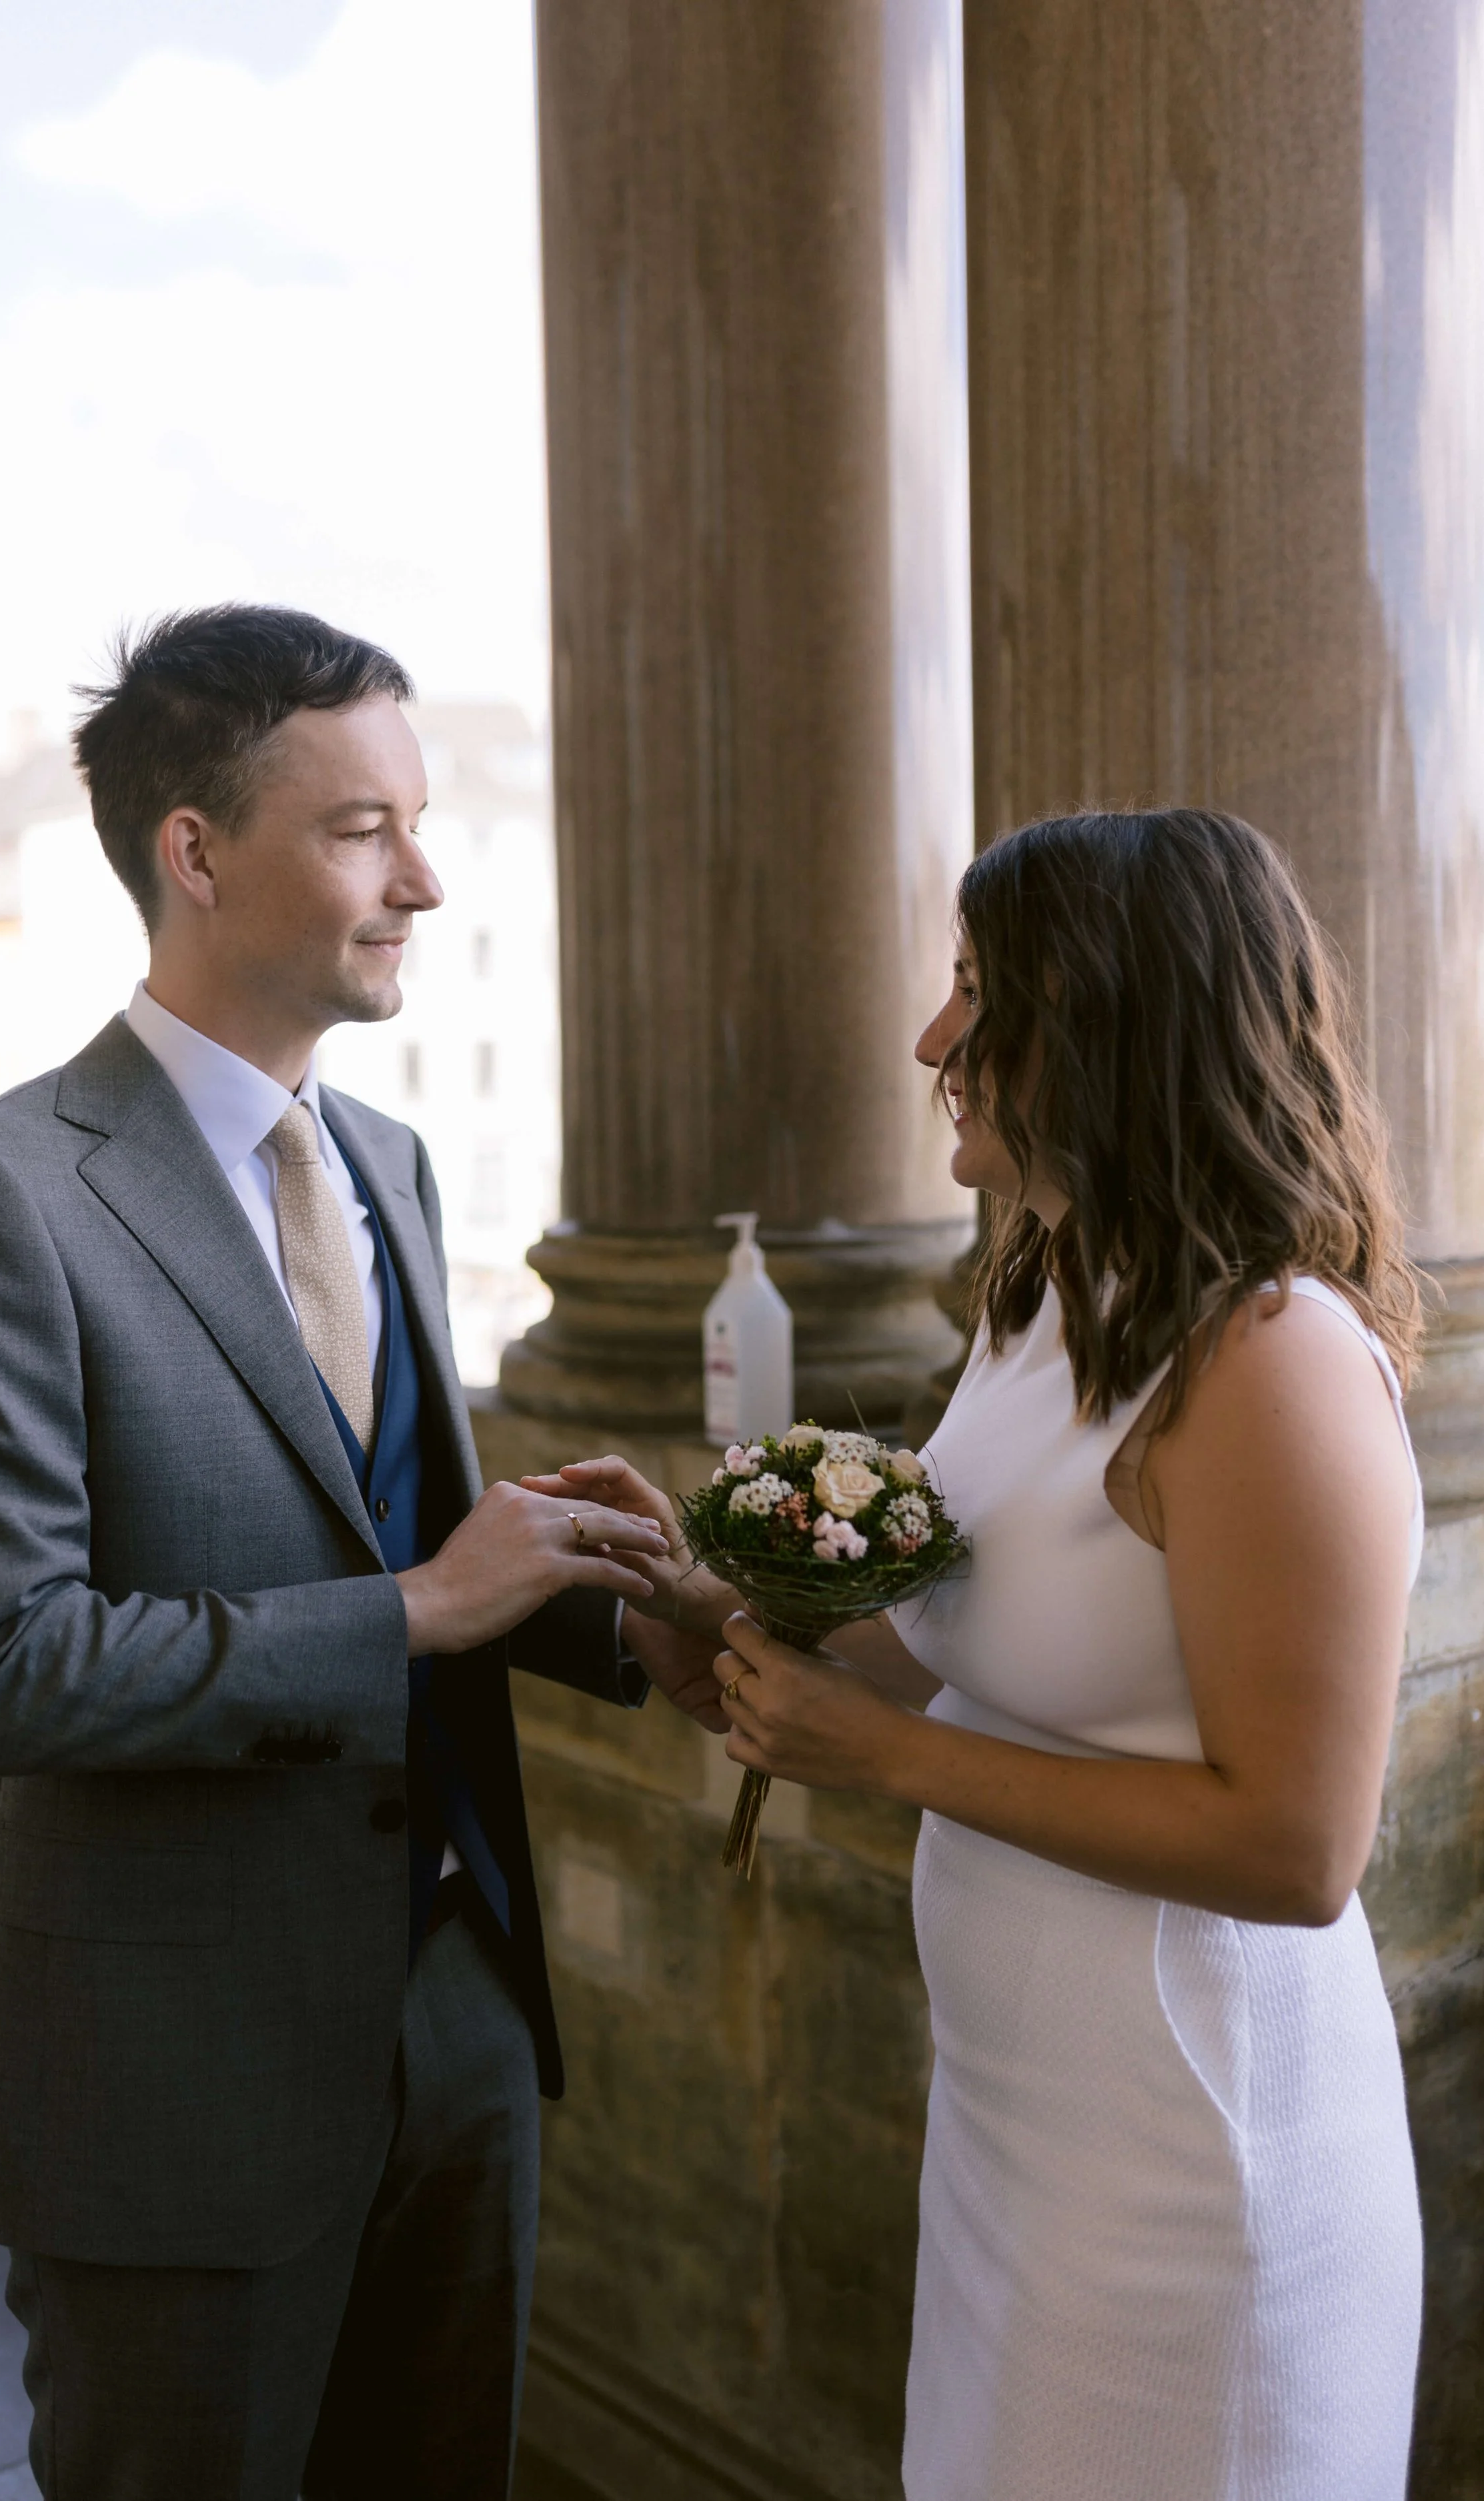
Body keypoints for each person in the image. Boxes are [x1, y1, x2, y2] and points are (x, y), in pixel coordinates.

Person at [0, 604, 725, 2501]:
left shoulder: (392, 1164)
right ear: (192, 849)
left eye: (420, 822)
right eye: (361, 829)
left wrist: (621, 1609)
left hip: (461, 2011)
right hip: (172, 2068)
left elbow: (402, 1530)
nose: (421, 876)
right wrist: (422, 1604)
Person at [546, 809, 1426, 2500]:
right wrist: (709, 1602)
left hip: (1191, 2164)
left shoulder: (1267, 1360)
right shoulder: (1042, 1300)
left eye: (979, 992)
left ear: (1111, 1023)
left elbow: (1297, 1849)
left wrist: (880, 1761)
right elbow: (963, 1646)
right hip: (1022, 2117)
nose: (932, 1039)